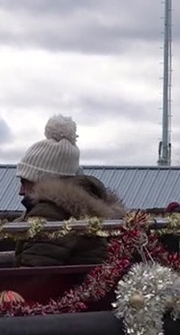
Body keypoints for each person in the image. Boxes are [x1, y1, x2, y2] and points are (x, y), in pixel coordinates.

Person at [14, 114, 126, 267]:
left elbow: (35, 271)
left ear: (43, 181)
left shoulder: (49, 212)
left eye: (25, 182)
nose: (20, 191)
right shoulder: (86, 211)